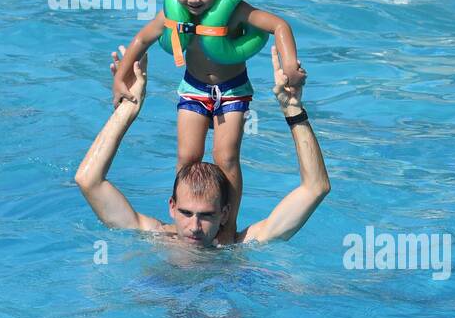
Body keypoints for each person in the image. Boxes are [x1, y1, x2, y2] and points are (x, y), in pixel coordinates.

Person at [111, 0, 304, 245]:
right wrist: (120, 78)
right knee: (187, 158)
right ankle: (185, 220)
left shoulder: (235, 11)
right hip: (193, 88)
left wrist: (290, 65)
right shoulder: (172, 15)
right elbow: (141, 40)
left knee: (225, 158)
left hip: (232, 90)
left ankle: (227, 226)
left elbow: (278, 26)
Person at [76, 46, 331, 247]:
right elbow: (88, 180)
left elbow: (315, 188)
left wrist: (293, 110)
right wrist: (128, 110)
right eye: (186, 213)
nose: (195, 227)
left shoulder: (240, 247)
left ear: (224, 214)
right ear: (172, 206)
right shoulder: (154, 238)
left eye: (207, 215)